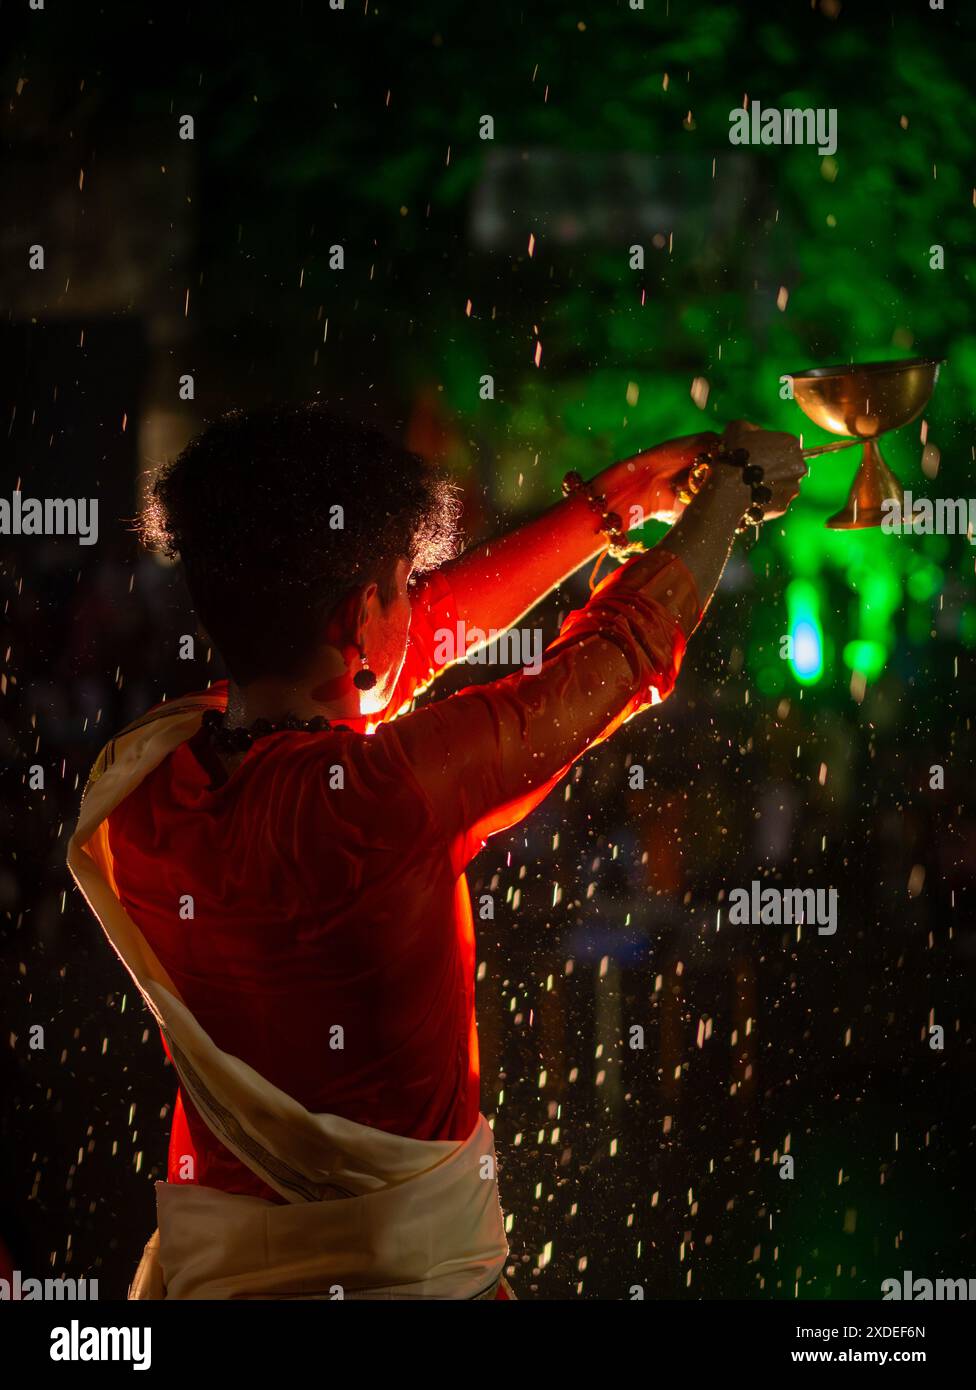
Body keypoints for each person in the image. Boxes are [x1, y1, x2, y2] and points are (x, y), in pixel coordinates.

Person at [68, 404, 805, 1300]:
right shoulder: (377, 799)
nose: (422, 602)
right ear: (358, 617)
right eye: (401, 583)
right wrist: (729, 496)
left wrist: (618, 503)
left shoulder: (148, 780)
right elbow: (605, 666)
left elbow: (415, 644)